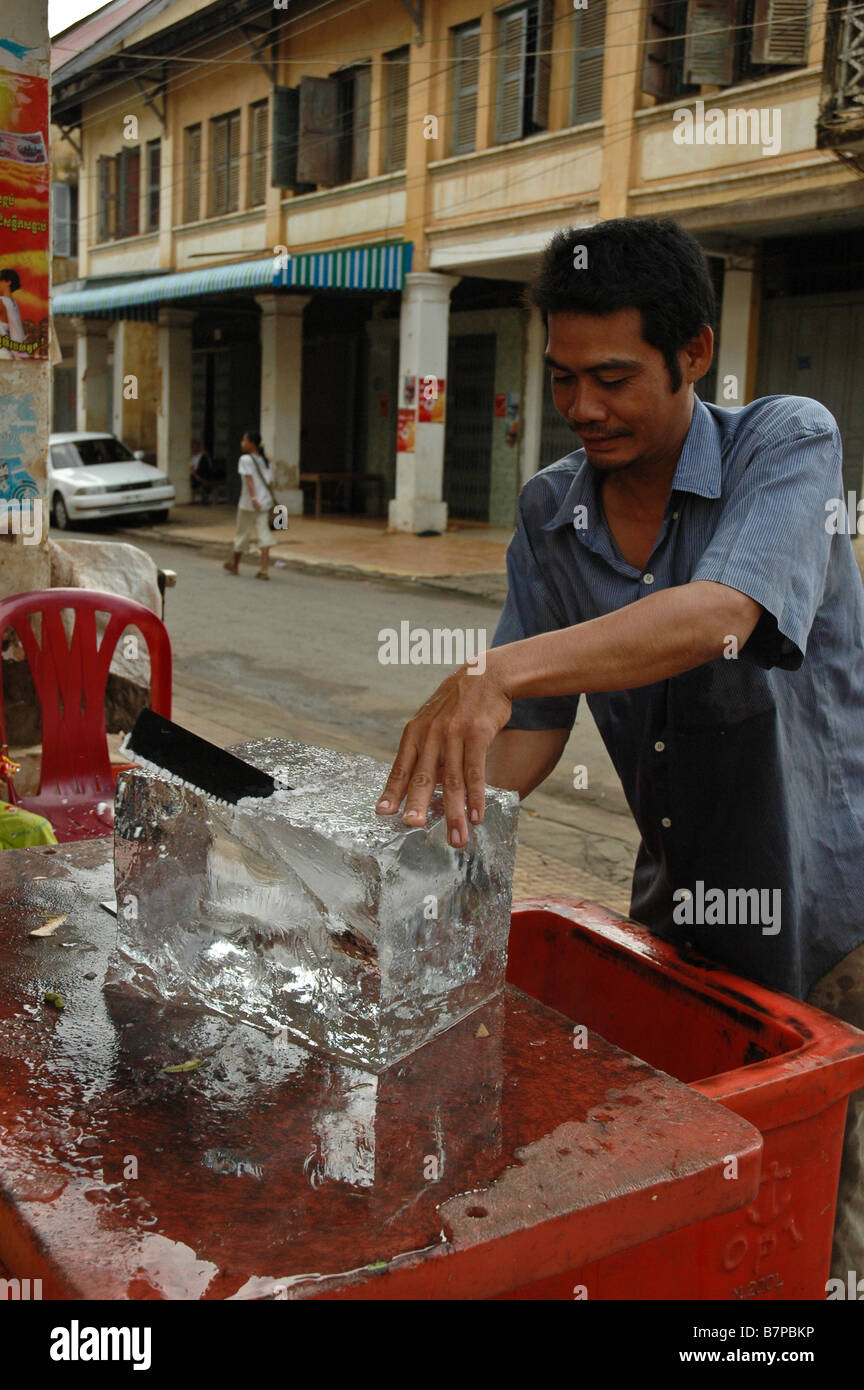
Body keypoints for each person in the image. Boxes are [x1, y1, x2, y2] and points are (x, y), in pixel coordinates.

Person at [374, 216, 864, 1277]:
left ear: (694, 353)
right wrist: (404, 852)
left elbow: (722, 613)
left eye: (612, 377)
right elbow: (529, 743)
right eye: (561, 380)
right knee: (697, 1200)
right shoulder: (556, 510)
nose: (582, 409)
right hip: (681, 913)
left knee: (818, 1207)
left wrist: (495, 672)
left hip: (836, 921)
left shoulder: (788, 444)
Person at [223, 429, 274, 579]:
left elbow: (249, 480)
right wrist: (263, 498)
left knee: (242, 533)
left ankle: (235, 565)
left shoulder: (245, 459)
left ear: (252, 443)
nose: (242, 443)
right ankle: (264, 570)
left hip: (248, 503)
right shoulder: (266, 460)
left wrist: (253, 498)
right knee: (264, 534)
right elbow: (270, 482)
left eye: (245, 440)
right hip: (264, 502)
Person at [0, 268, 29, 359]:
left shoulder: (2, 301)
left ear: (8, 282)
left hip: (9, 350)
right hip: (18, 349)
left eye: (0, 280)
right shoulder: (14, 303)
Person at [189, 439, 214, 504]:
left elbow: (209, 465)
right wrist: (197, 476)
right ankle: (193, 500)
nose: (195, 448)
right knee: (193, 479)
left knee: (206, 480)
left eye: (197, 447)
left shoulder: (203, 455)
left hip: (204, 473)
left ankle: (206, 498)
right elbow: (192, 468)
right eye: (194, 447)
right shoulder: (192, 457)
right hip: (197, 474)